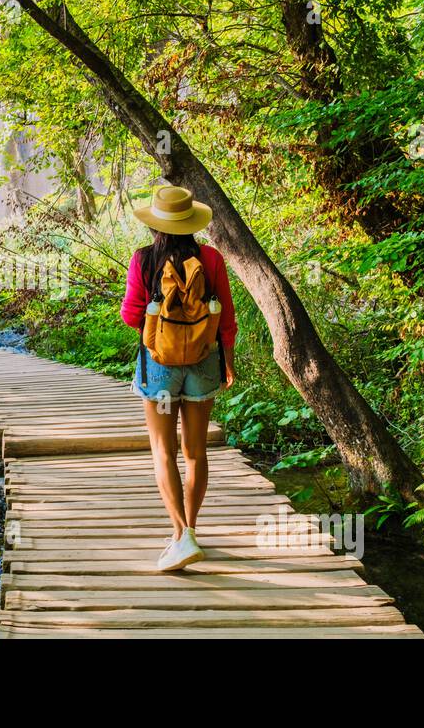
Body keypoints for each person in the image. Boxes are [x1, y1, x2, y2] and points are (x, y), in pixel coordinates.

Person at [120, 184, 237, 571]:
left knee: (162, 451)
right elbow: (227, 319)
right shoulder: (212, 259)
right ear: (191, 222)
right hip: (204, 360)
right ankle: (191, 530)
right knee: (195, 452)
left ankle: (179, 534)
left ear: (156, 224)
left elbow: (130, 313)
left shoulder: (144, 260)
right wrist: (227, 362)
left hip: (159, 365)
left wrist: (160, 332)